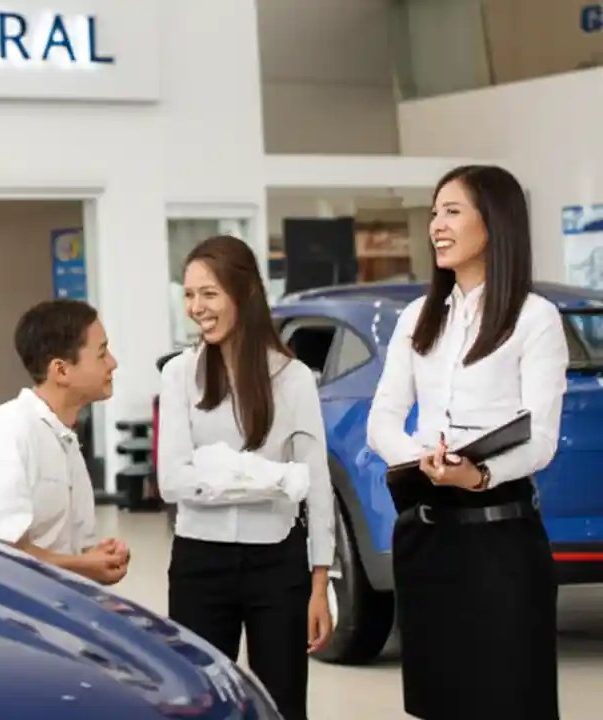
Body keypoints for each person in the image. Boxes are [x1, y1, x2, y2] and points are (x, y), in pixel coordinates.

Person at [367, 165, 566, 720]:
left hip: (501, 540)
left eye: (452, 211)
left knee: (510, 699)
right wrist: (424, 461)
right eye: (434, 213)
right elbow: (382, 420)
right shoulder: (417, 317)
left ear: (495, 221)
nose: (437, 225)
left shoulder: (535, 318)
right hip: (427, 537)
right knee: (439, 701)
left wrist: (477, 475)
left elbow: (541, 438)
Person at [157, 235, 334, 720]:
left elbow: (315, 484)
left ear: (246, 292)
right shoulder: (179, 375)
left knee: (282, 705)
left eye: (209, 293)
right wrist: (275, 481)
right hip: (199, 560)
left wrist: (320, 583)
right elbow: (172, 481)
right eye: (189, 294)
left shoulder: (293, 378)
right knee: (201, 705)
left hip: (278, 564)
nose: (196, 307)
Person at [0, 299, 130, 585]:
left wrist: (98, 558)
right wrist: (83, 565)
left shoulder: (64, 436)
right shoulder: (6, 430)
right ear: (61, 370)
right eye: (101, 353)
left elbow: (63, 547)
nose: (113, 363)